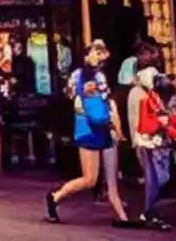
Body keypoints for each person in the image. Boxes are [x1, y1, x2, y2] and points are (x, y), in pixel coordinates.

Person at [45, 40, 132, 226]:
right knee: (90, 179)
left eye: (101, 52)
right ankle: (56, 196)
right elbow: (72, 96)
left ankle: (121, 215)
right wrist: (82, 93)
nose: (99, 56)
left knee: (111, 179)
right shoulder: (79, 75)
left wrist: (117, 129)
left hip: (104, 127)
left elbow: (108, 102)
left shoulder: (101, 76)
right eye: (95, 51)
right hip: (88, 128)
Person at [129, 67, 176, 230]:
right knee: (154, 179)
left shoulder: (165, 99)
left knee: (162, 177)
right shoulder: (145, 99)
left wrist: (169, 123)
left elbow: (175, 119)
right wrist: (160, 123)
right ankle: (149, 211)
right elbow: (143, 125)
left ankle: (151, 210)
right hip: (148, 143)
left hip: (161, 143)